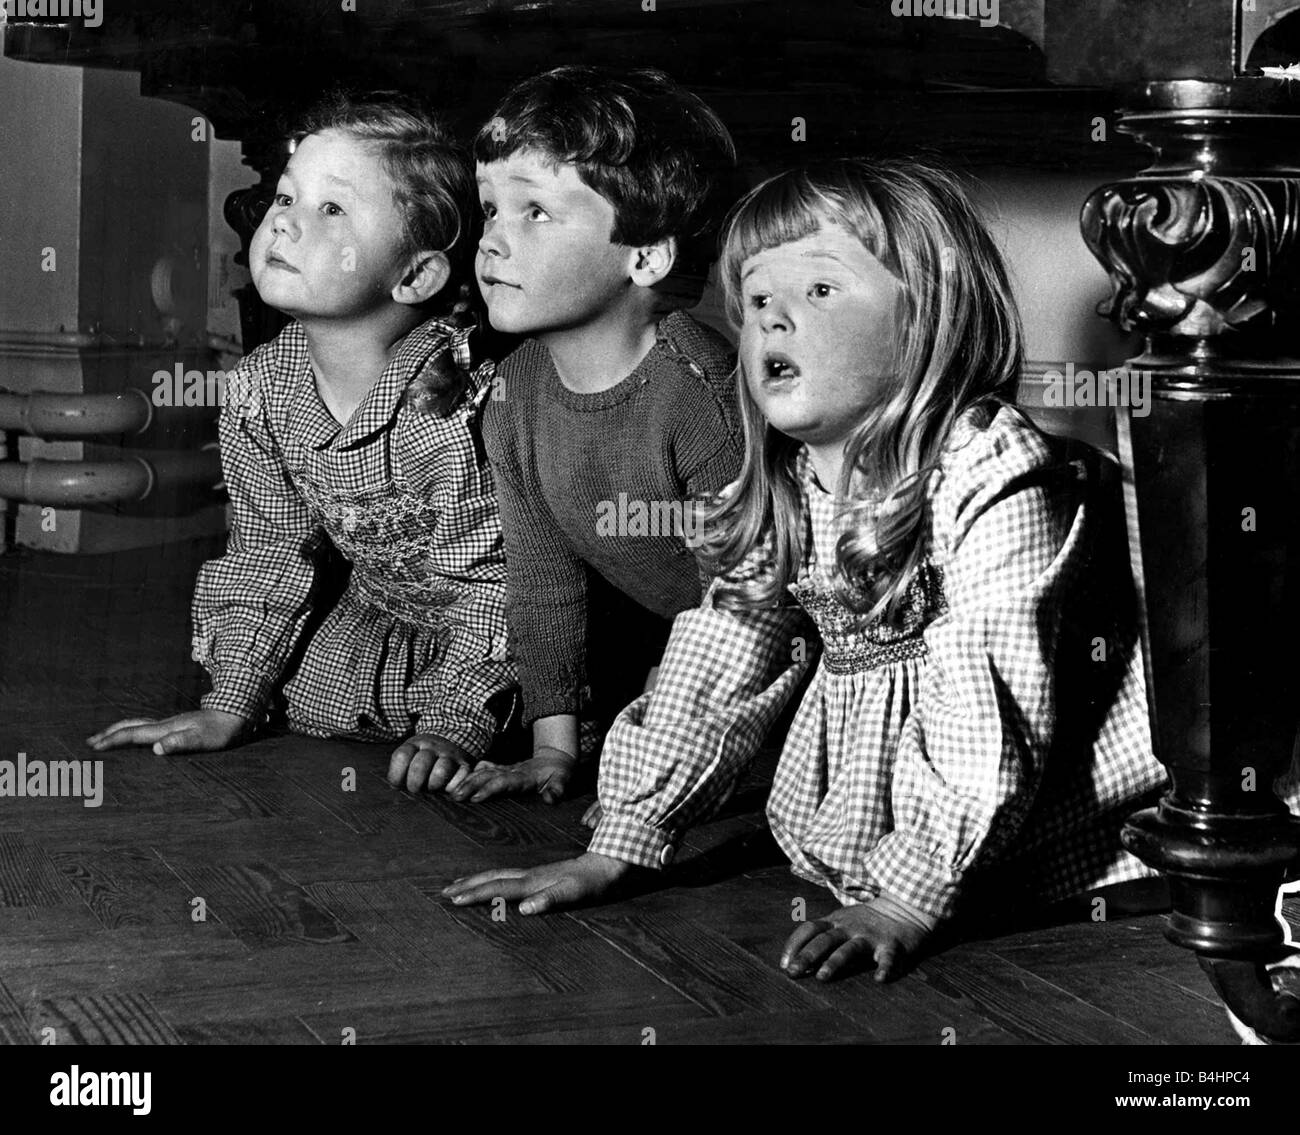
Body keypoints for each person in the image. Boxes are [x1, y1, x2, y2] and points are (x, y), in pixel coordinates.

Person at [444, 158, 1169, 983]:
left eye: (821, 291)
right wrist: (623, 842)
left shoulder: (988, 461)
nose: (774, 319)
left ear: (928, 318)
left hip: (1042, 790)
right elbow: (719, 656)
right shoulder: (786, 483)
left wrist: (909, 892)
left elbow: (989, 688)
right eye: (756, 301)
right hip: (889, 817)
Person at [89, 92, 518, 796]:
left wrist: (456, 719)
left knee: (513, 703)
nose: (284, 218)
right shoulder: (261, 384)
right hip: (390, 612)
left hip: (500, 617)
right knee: (308, 693)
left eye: (332, 209)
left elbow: (495, 582)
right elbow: (265, 551)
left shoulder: (451, 402)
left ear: (414, 274)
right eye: (286, 196)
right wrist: (229, 700)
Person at [453, 66, 743, 809]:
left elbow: (748, 603)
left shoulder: (701, 393)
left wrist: (675, 716)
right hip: (674, 639)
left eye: (536, 214)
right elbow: (543, 583)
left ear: (645, 256)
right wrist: (554, 750)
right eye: (490, 210)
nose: (491, 243)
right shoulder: (513, 393)